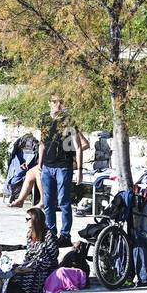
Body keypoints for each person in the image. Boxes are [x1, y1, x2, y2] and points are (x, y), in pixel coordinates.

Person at [0, 208, 58, 293]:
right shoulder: (30, 235)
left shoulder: (49, 235)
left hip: (43, 271)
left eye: (28, 219)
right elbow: (28, 256)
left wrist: (32, 268)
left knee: (17, 286)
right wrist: (23, 267)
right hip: (30, 269)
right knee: (14, 281)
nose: (26, 222)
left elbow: (52, 259)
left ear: (35, 219)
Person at [38, 96, 87, 247]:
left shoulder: (68, 121)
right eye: (54, 102)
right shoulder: (45, 119)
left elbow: (78, 147)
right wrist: (40, 163)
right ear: (49, 103)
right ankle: (51, 233)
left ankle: (65, 235)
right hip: (47, 166)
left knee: (64, 202)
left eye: (60, 102)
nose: (57, 105)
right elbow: (42, 143)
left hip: (63, 166)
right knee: (48, 203)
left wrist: (79, 169)